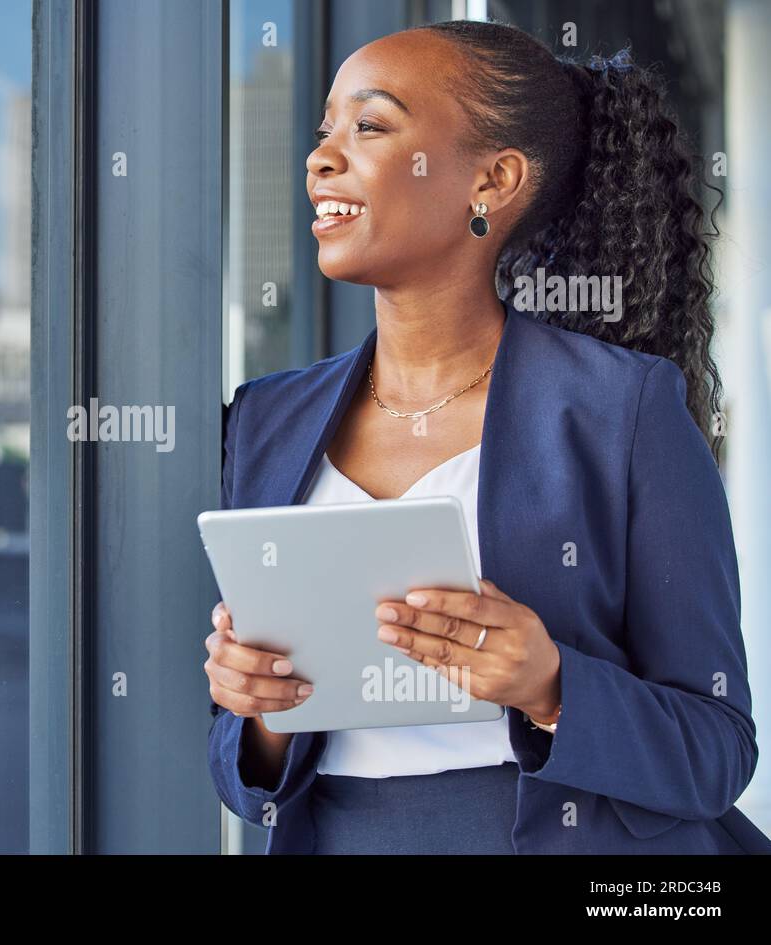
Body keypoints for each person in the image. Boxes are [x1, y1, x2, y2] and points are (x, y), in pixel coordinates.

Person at [205, 19, 770, 854]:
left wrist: (551, 686)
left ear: (493, 179)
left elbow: (717, 749)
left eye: (370, 125)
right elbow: (242, 769)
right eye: (325, 130)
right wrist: (258, 712)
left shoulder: (625, 410)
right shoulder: (266, 419)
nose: (321, 157)